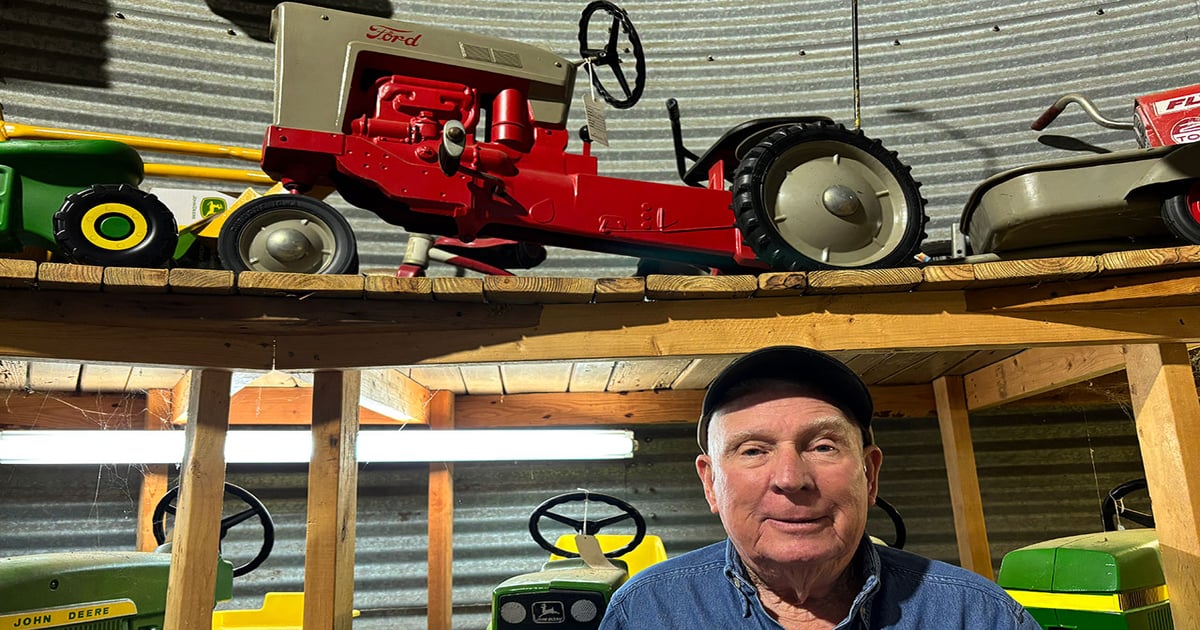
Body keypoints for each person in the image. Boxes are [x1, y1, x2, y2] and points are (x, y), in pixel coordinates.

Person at [599, 346, 1040, 629]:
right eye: (753, 451)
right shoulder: (647, 612)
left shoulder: (978, 616)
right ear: (711, 483)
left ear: (870, 474)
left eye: (824, 446)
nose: (791, 479)